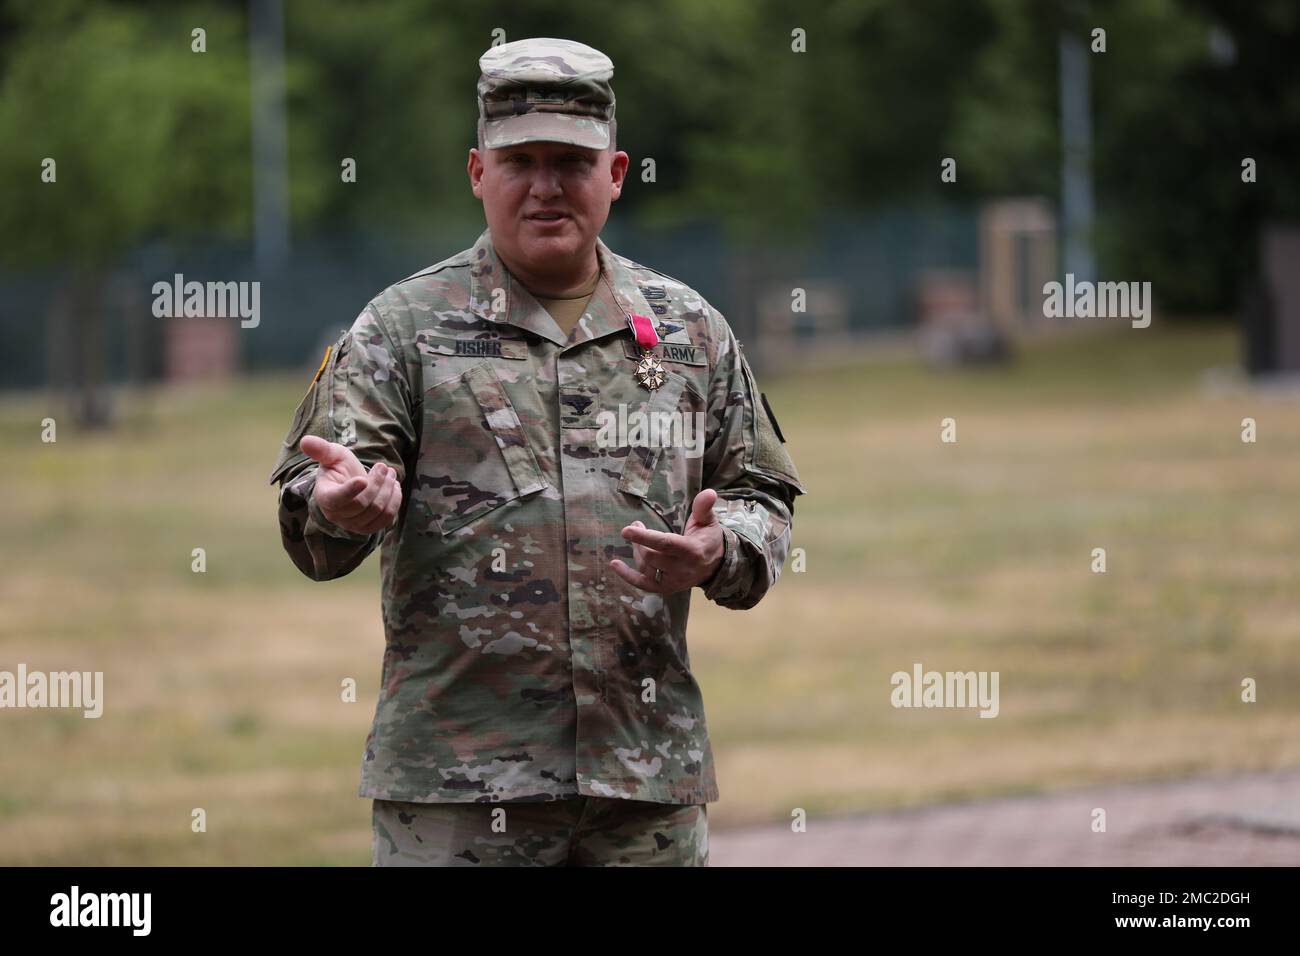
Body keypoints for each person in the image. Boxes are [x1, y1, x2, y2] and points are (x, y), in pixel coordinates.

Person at [268, 36, 805, 866]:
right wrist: (338, 508)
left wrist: (721, 546)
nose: (547, 186)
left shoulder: (690, 331)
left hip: (644, 782)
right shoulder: (404, 330)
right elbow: (320, 494)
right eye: (521, 161)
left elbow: (761, 494)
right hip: (457, 791)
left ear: (617, 174)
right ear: (479, 172)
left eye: (572, 161)